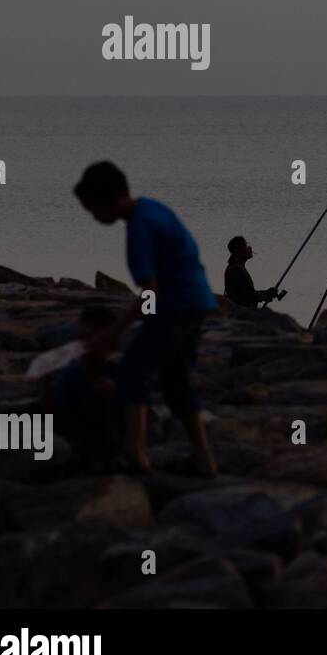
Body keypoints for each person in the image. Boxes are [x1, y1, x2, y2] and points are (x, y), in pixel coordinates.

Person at [73, 161, 218, 476]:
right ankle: (204, 458)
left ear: (105, 201)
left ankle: (135, 452)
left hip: (176, 305)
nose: (94, 218)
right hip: (199, 299)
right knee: (176, 380)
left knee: (131, 372)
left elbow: (149, 293)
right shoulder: (154, 208)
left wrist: (114, 332)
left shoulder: (138, 228)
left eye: (92, 210)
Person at [47, 305, 123, 467]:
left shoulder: (120, 370)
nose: (83, 343)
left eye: (87, 336)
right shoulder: (73, 371)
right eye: (80, 337)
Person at [223, 236, 281, 308]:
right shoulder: (236, 270)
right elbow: (247, 296)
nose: (250, 248)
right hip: (241, 313)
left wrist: (266, 293)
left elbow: (248, 293)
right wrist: (266, 294)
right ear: (238, 251)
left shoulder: (234, 267)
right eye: (246, 246)